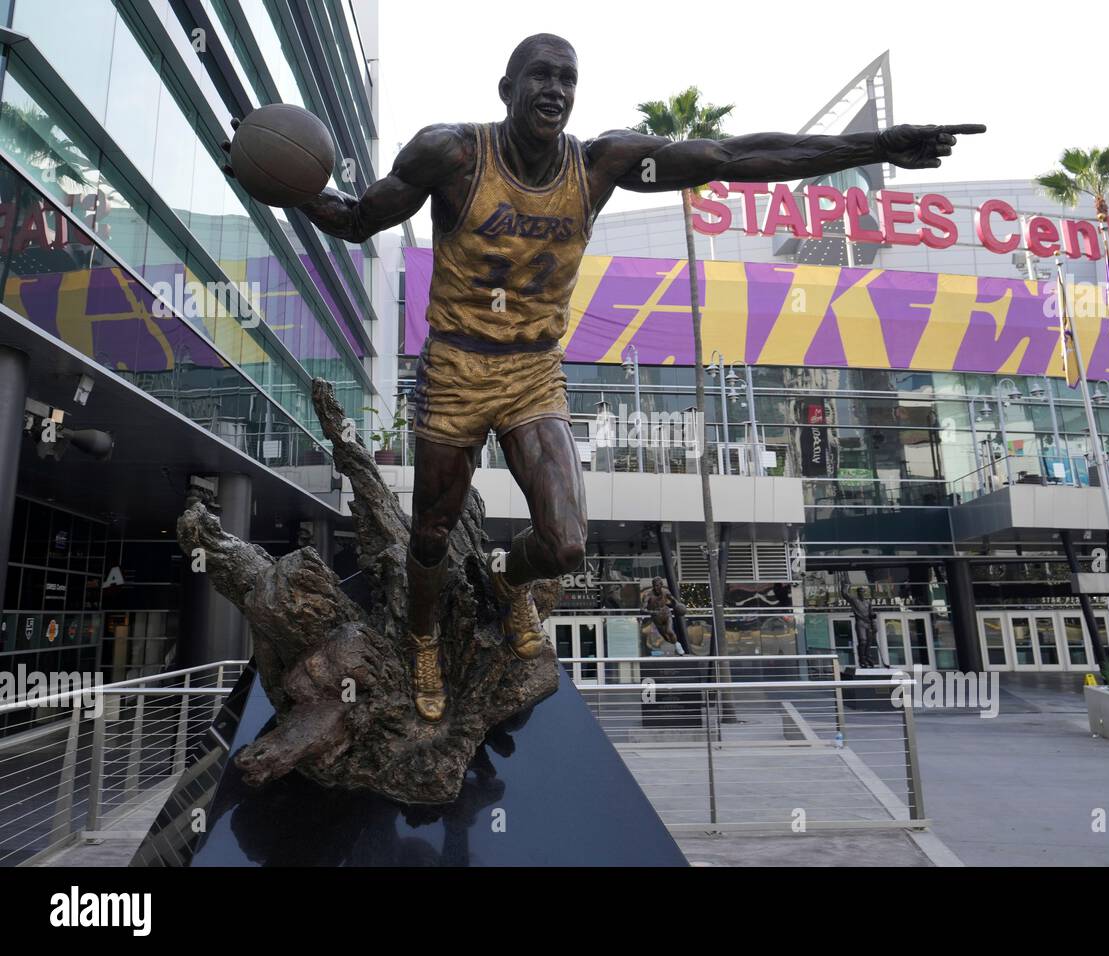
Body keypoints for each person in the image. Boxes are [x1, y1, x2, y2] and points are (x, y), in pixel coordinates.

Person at [232, 33, 983, 721]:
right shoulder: (451, 154)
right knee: (428, 530)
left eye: (568, 78)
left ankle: (502, 583)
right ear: (507, 88)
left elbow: (733, 156)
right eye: (540, 76)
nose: (555, 90)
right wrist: (284, 181)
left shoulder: (600, 165)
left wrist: (873, 145)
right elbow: (360, 216)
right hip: (457, 364)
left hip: (531, 372)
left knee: (564, 543)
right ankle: (423, 639)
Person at [641, 576, 688, 654]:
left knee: (669, 631)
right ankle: (675, 642)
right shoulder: (648, 595)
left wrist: (677, 605)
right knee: (666, 637)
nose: (655, 587)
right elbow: (642, 609)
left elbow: (673, 600)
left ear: (661, 585)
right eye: (654, 585)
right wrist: (652, 612)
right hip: (656, 618)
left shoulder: (666, 592)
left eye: (657, 585)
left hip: (666, 614)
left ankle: (677, 645)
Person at [839, 580, 880, 668]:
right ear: (858, 593)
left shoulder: (867, 603)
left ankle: (868, 658)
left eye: (863, 592)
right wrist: (845, 586)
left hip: (868, 623)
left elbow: (871, 613)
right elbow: (845, 594)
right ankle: (862, 660)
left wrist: (873, 619)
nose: (861, 593)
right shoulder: (855, 600)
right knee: (863, 642)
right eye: (860, 592)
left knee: (869, 642)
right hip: (860, 623)